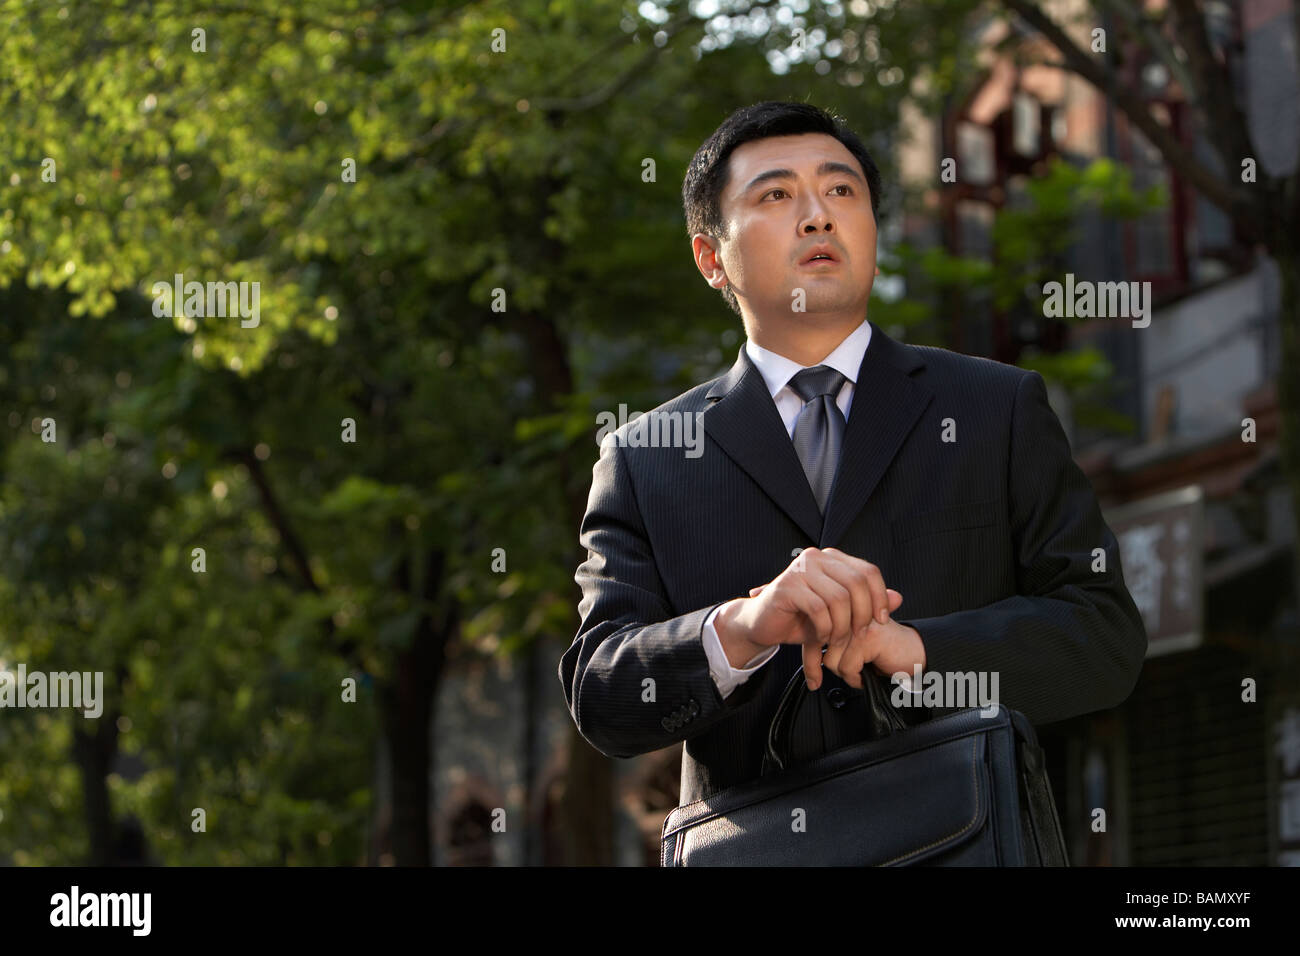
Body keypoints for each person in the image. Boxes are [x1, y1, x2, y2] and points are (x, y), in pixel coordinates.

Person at [558, 100, 1147, 807]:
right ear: (711, 257)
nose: (818, 215)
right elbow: (602, 693)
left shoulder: (996, 408)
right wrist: (740, 630)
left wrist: (923, 652)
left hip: (961, 845)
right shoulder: (645, 456)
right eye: (776, 194)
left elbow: (1103, 636)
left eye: (842, 190)